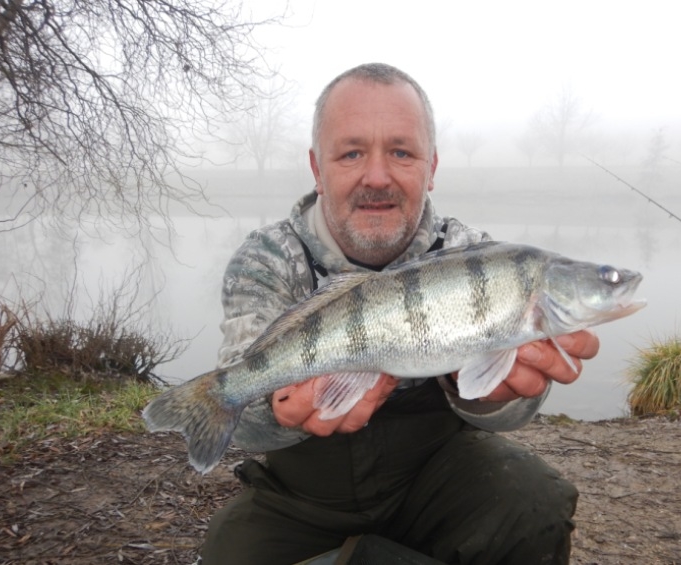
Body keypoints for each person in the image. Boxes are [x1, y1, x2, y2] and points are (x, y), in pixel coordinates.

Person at [200, 62, 600, 565]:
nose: (377, 177)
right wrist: (275, 410)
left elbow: (515, 410)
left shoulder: (474, 255)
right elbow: (243, 422)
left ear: (431, 168)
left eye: (401, 152)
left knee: (533, 503)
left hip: (437, 479)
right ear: (317, 169)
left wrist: (490, 396)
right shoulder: (267, 259)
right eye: (351, 153)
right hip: (305, 498)